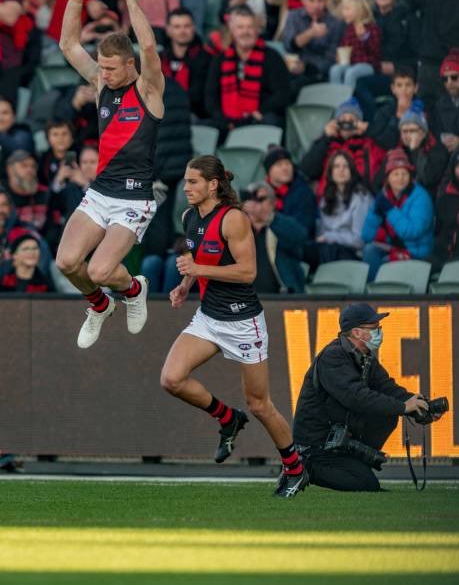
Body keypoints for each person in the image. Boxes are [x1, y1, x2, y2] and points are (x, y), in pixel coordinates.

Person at [163, 155, 307, 498]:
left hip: (243, 321)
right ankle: (227, 418)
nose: (187, 188)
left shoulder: (234, 219)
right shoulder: (189, 217)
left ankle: (296, 468)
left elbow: (247, 273)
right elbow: (199, 262)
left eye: (193, 181)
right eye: (186, 182)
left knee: (259, 404)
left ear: (213, 185)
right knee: (171, 378)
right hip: (209, 317)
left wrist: (197, 272)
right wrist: (185, 286)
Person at [55, 0, 162, 349]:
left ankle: (133, 290)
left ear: (129, 65)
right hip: (101, 191)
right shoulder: (102, 84)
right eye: (101, 67)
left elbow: (148, 45)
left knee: (101, 268)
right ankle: (99, 306)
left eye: (111, 69)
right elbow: (67, 45)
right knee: (66, 262)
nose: (104, 74)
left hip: (134, 197)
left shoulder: (149, 90)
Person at [292, 303, 431, 491]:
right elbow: (357, 398)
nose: (379, 331)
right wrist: (403, 407)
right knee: (366, 484)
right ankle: (303, 468)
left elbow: (388, 389)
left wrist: (419, 407)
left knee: (387, 412)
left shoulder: (365, 357)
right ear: (357, 333)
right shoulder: (333, 356)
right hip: (316, 445)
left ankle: (356, 464)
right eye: (374, 328)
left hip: (337, 440)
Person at [206, 7, 292, 136]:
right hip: (227, 121)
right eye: (240, 27)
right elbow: (210, 97)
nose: (245, 32)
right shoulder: (220, 60)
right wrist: (223, 119)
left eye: (250, 27)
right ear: (232, 31)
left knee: (271, 121)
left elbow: (283, 94)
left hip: (259, 119)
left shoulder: (272, 57)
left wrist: (260, 112)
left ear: (257, 30)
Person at [361, 149, 435, 280]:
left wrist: (390, 210)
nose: (400, 178)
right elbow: (367, 236)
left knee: (384, 265)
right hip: (393, 247)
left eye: (404, 174)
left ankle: (380, 293)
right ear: (388, 177)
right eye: (395, 174)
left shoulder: (421, 196)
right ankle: (371, 293)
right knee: (369, 250)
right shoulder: (384, 196)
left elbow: (412, 232)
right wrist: (375, 214)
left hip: (416, 252)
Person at [300, 98, 387, 194]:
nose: (347, 124)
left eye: (352, 120)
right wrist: (325, 137)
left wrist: (370, 130)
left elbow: (390, 155)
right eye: (343, 120)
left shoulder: (370, 143)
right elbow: (307, 170)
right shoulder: (327, 143)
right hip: (330, 199)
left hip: (362, 198)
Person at [281, 0, 344, 91]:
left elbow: (331, 60)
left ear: (326, 0)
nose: (316, 5)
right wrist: (309, 34)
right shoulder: (294, 16)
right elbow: (288, 46)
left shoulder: (335, 24)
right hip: (292, 69)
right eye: (311, 0)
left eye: (320, 0)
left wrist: (306, 68)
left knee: (292, 87)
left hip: (318, 75)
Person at [159, 8, 212, 120]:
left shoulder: (206, 58)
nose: (182, 31)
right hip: (162, 113)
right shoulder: (159, 59)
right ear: (168, 30)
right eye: (177, 27)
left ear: (193, 28)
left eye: (186, 26)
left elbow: (199, 96)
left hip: (194, 115)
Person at [262, 147, 316, 239]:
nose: (285, 168)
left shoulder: (303, 193)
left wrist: (272, 218)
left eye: (287, 163)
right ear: (269, 171)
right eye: (279, 164)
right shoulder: (261, 193)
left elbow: (302, 230)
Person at [328, 0, 381, 89]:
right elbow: (343, 47)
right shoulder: (349, 29)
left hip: (368, 65)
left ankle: (348, 101)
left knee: (350, 73)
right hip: (351, 64)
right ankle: (336, 99)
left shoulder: (371, 28)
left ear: (359, 11)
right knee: (334, 70)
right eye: (343, 9)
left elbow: (375, 51)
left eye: (347, 9)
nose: (344, 13)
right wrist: (339, 56)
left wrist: (364, 37)